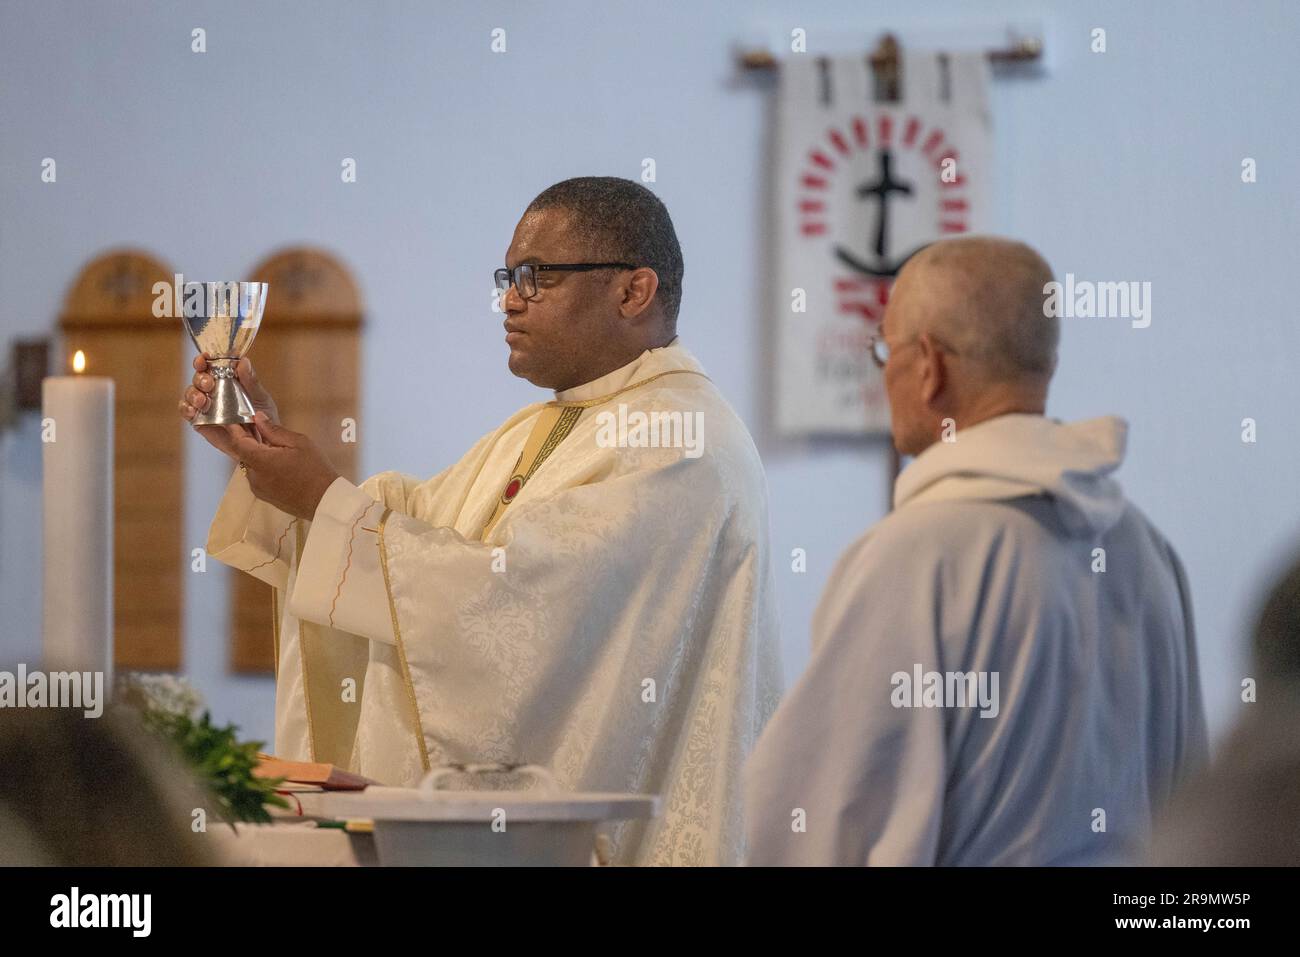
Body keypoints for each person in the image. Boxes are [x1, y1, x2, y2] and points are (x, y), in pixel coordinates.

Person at [179, 176, 782, 866]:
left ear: (632, 291)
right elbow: (427, 529)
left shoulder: (682, 441)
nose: (509, 299)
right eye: (507, 275)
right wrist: (284, 467)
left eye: (536, 277)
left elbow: (520, 609)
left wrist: (323, 500)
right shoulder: (554, 423)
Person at [743, 236, 1206, 865]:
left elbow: (809, 826)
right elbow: (1186, 797)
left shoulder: (914, 558)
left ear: (929, 366)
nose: (884, 372)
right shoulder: (1144, 546)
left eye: (885, 350)